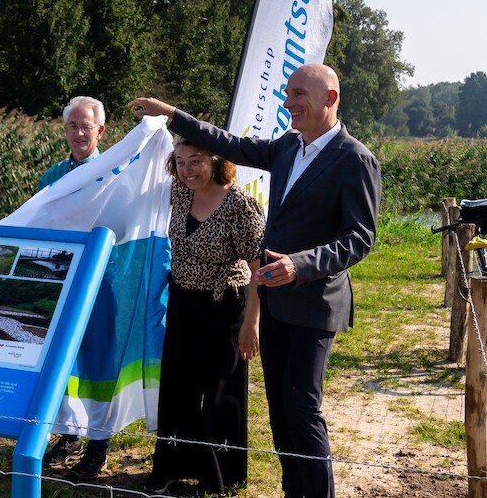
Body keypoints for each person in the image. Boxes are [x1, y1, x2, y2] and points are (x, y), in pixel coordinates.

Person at [132, 63, 381, 498]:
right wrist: (174, 114)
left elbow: (359, 239)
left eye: (299, 94)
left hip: (314, 303)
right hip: (277, 301)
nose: (288, 103)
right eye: (286, 93)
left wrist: (299, 265)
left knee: (302, 409)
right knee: (282, 413)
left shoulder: (354, 158)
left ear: (330, 97)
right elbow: (230, 144)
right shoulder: (287, 146)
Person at [143, 138, 264, 495]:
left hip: (225, 305)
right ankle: (171, 466)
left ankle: (219, 477)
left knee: (220, 391)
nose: (187, 169)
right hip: (182, 301)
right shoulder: (178, 194)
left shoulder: (240, 205)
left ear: (215, 161)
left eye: (195, 160)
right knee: (178, 387)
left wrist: (251, 323)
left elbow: (260, 269)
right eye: (180, 162)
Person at [36, 96, 113, 479]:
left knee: (97, 362)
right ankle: (69, 434)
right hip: (62, 282)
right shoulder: (51, 176)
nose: (79, 133)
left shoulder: (117, 171)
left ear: (101, 131)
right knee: (63, 362)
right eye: (72, 126)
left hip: (103, 286)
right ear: (64, 130)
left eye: (87, 126)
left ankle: (100, 443)